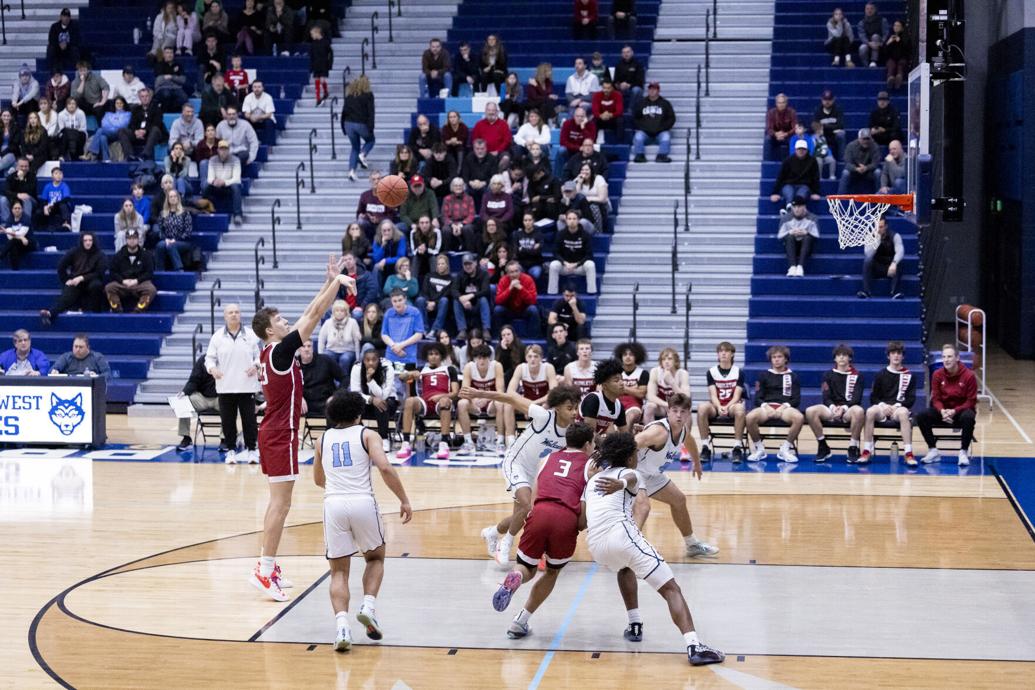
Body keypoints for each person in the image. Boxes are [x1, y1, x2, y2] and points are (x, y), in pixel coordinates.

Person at [247, 257, 356, 601]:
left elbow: (310, 309)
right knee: (280, 505)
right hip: (280, 435)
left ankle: (267, 565)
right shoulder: (281, 351)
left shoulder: (271, 351)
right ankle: (264, 571)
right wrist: (337, 282)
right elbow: (313, 316)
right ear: (269, 330)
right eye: (280, 320)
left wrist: (329, 281)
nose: (286, 322)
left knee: (278, 503)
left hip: (275, 432)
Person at [584, 432, 724, 665]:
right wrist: (620, 484)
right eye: (635, 454)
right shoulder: (633, 473)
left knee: (624, 567)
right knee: (671, 589)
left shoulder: (592, 481)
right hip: (622, 536)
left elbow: (581, 519)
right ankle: (694, 646)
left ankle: (635, 623)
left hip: (596, 547)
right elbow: (629, 479)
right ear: (630, 457)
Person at [314, 389, 412, 652]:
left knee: (338, 572)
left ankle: (342, 627)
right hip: (362, 502)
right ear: (359, 413)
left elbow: (318, 480)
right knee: (376, 558)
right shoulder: (368, 434)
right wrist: (403, 498)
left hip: (333, 504)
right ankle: (368, 606)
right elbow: (385, 467)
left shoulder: (322, 439)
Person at [491, 422, 595, 635]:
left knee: (525, 566)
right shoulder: (590, 466)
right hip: (565, 517)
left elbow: (534, 498)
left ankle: (517, 576)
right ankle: (520, 621)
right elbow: (583, 519)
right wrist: (577, 527)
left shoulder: (548, 457)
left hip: (539, 512)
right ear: (587, 445)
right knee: (552, 572)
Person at [474, 384, 582, 566]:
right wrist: (481, 393)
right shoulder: (543, 416)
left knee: (526, 512)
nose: (574, 413)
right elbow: (511, 398)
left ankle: (493, 532)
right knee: (526, 505)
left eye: (576, 408)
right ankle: (505, 543)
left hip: (538, 473)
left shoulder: (572, 432)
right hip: (516, 463)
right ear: (557, 407)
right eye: (569, 408)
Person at [206, 303, 261, 464]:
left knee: (249, 420)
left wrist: (256, 365)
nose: (234, 315)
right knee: (228, 421)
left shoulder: (251, 335)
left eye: (237, 312)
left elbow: (259, 356)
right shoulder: (217, 337)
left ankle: (252, 450)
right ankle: (231, 451)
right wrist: (212, 369)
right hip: (225, 386)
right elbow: (209, 359)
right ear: (225, 316)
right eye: (230, 312)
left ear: (240, 315)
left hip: (247, 386)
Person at [917, 344, 978, 467]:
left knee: (969, 417)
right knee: (922, 415)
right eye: (944, 357)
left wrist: (954, 411)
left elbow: (970, 401)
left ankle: (963, 452)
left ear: (957, 358)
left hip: (961, 411)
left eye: (949, 356)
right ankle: (933, 450)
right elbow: (936, 398)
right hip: (943, 411)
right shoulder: (937, 374)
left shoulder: (969, 376)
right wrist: (942, 411)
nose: (946, 360)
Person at [396, 342, 458, 460]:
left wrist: (440, 397)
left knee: (445, 401)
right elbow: (401, 378)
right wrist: (410, 374)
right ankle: (405, 444)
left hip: (442, 401)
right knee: (409, 401)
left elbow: (455, 393)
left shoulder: (449, 369)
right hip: (425, 403)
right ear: (426, 356)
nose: (433, 356)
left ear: (441, 356)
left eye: (436, 354)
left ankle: (444, 444)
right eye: (430, 354)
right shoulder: (421, 369)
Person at [860, 340, 917, 466]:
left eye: (899, 353)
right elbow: (873, 397)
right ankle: (866, 450)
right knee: (869, 412)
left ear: (903, 356)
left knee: (903, 413)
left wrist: (896, 406)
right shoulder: (880, 374)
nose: (896, 355)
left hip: (898, 409)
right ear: (888, 356)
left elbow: (911, 399)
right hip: (882, 408)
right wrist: (883, 406)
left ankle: (908, 453)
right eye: (893, 353)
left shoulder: (909, 375)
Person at [806, 344, 865, 463]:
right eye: (839, 355)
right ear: (835, 358)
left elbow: (856, 398)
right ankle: (823, 446)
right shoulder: (828, 375)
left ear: (850, 358)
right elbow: (826, 396)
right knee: (810, 411)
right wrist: (833, 408)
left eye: (845, 355)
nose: (842, 358)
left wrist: (843, 408)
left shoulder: (858, 376)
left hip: (848, 409)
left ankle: (853, 447)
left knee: (859, 411)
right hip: (831, 408)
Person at [745, 345, 803, 462]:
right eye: (774, 357)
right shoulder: (764, 375)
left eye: (779, 357)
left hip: (785, 408)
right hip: (767, 407)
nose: (776, 359)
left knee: (799, 417)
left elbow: (796, 400)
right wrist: (767, 407)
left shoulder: (793, 376)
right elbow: (758, 398)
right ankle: (759, 449)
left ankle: (785, 449)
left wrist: (783, 407)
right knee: (750, 417)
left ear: (785, 359)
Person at [39, 231, 106, 326]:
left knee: (96, 285)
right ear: (82, 241)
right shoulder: (74, 252)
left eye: (90, 240)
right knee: (66, 297)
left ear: (94, 241)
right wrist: (66, 280)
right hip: (75, 282)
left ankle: (96, 315)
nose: (88, 242)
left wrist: (82, 278)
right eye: (85, 240)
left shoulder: (100, 255)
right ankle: (50, 314)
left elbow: (99, 273)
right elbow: (61, 266)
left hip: (92, 281)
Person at [696, 342, 747, 462]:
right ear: (718, 354)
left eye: (727, 351)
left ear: (732, 354)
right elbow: (713, 394)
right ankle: (705, 447)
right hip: (716, 405)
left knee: (740, 409)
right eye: (721, 351)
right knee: (702, 408)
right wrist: (719, 406)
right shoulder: (711, 372)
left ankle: (737, 447)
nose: (723, 353)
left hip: (732, 405)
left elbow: (737, 395)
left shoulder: (739, 372)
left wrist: (726, 406)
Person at [455, 343, 505, 454]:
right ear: (475, 358)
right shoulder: (469, 367)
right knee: (462, 403)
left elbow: (500, 391)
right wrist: (474, 400)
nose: (481, 361)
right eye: (479, 358)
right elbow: (464, 391)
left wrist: (486, 398)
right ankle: (468, 442)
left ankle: (500, 442)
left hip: (491, 403)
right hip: (475, 404)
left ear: (489, 358)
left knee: (500, 403)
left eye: (484, 358)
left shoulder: (497, 366)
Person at [174, 352, 221, 452]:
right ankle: (186, 438)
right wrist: (184, 392)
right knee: (183, 402)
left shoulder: (228, 359)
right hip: (202, 398)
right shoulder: (202, 360)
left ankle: (226, 439)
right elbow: (193, 380)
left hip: (220, 398)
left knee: (230, 404)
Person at [350, 349, 398, 446]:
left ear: (379, 360)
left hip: (389, 400)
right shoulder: (357, 368)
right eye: (367, 360)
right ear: (363, 360)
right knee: (351, 404)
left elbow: (383, 395)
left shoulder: (388, 367)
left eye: (374, 360)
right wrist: (371, 399)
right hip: (366, 401)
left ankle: (384, 438)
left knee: (381, 404)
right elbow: (355, 393)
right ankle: (359, 436)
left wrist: (370, 380)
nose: (370, 363)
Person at [104, 229, 156, 313]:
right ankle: (117, 310)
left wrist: (137, 280)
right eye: (129, 238)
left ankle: (138, 310)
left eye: (134, 238)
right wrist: (122, 281)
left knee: (151, 289)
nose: (132, 241)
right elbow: (112, 272)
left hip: (139, 284)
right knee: (109, 287)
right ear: (126, 240)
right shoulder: (118, 255)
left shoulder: (146, 255)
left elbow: (149, 273)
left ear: (138, 239)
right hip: (122, 284)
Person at [857, 215, 904, 299]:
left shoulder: (895, 236)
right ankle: (866, 292)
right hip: (876, 267)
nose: (878, 229)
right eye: (876, 227)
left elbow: (900, 251)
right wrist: (877, 240)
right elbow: (868, 254)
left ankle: (895, 292)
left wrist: (894, 263)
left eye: (881, 227)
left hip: (890, 268)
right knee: (867, 261)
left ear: (886, 226)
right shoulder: (870, 236)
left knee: (899, 263)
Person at [549, 212, 596, 294]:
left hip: (579, 267)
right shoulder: (560, 234)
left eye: (574, 219)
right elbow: (555, 252)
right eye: (569, 219)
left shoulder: (585, 235)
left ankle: (591, 292)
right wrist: (564, 262)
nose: (572, 221)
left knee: (590, 264)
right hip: (565, 266)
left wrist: (577, 264)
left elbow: (589, 255)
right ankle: (552, 293)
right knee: (553, 265)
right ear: (566, 221)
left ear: (578, 221)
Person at [580, 357, 628, 436]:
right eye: (616, 380)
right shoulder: (593, 399)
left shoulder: (619, 406)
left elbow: (625, 434)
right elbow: (590, 434)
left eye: (622, 379)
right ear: (605, 385)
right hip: (575, 442)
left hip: (591, 445)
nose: (622, 383)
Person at [643, 347, 691, 425]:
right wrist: (666, 404)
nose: (666, 362)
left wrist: (672, 382)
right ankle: (649, 432)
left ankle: (685, 436)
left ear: (676, 361)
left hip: (677, 407)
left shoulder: (682, 373)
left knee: (687, 410)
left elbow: (686, 397)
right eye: (664, 359)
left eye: (669, 359)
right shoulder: (655, 372)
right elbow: (650, 396)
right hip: (661, 406)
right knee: (650, 406)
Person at [298, 340, 345, 418]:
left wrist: (336, 396)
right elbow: (287, 387)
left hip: (327, 401)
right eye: (303, 346)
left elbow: (344, 378)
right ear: (299, 349)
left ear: (313, 348)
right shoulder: (294, 364)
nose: (307, 349)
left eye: (309, 346)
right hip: (306, 404)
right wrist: (299, 397)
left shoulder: (325, 360)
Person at [341, 75, 375, 182]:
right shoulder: (368, 95)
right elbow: (371, 112)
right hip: (360, 123)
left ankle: (351, 171)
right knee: (370, 140)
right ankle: (363, 154)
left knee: (355, 147)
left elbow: (344, 112)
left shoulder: (349, 96)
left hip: (348, 124)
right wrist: (371, 128)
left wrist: (343, 127)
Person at [494, 261, 540, 337]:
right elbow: (498, 301)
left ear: (520, 271)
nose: (514, 274)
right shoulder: (503, 280)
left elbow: (533, 301)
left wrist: (521, 289)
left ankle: (534, 338)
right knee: (497, 310)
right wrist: (509, 289)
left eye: (516, 271)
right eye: (511, 272)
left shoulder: (528, 279)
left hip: (524, 310)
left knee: (533, 309)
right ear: (507, 274)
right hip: (509, 310)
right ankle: (497, 337)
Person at [632, 82, 675, 163]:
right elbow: (635, 117)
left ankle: (661, 156)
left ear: (658, 91)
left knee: (666, 137)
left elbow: (671, 118)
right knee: (638, 137)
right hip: (645, 132)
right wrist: (641, 127)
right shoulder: (641, 103)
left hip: (660, 132)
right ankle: (639, 155)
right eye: (650, 89)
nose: (652, 91)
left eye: (654, 89)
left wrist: (663, 128)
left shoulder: (665, 103)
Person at [381, 288, 424, 370]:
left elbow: (419, 334)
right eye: (395, 301)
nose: (398, 304)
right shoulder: (388, 313)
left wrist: (400, 345)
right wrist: (394, 346)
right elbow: (384, 334)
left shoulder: (415, 312)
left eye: (400, 300)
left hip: (408, 356)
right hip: (391, 355)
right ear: (391, 301)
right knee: (390, 382)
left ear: (405, 299)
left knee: (409, 382)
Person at [204, 140, 244, 226]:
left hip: (228, 186)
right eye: (221, 149)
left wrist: (224, 182)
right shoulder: (212, 160)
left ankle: (237, 215)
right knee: (205, 186)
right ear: (218, 150)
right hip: (217, 185)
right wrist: (215, 181)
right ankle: (205, 209)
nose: (223, 151)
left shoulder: (235, 160)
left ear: (229, 150)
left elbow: (237, 179)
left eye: (225, 149)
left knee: (236, 187)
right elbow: (210, 178)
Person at [770, 140, 821, 207]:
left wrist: (815, 192)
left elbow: (815, 177)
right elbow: (781, 177)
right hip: (789, 184)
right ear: (795, 150)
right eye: (799, 149)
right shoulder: (788, 160)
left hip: (804, 185)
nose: (801, 151)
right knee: (789, 195)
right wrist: (775, 193)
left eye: (803, 149)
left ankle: (790, 210)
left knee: (800, 196)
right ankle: (789, 209)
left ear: (806, 150)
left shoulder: (812, 161)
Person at [453, 253, 492, 338]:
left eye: (470, 264)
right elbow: (453, 290)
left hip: (478, 304)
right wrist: (462, 299)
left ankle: (486, 329)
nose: (468, 266)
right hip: (465, 305)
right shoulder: (460, 275)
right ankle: (462, 330)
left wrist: (471, 296)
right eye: (465, 264)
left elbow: (486, 291)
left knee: (483, 299)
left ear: (475, 263)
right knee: (456, 301)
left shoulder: (483, 274)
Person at [778, 196, 819, 277]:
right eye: (794, 207)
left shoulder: (813, 218)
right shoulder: (786, 218)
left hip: (807, 247)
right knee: (789, 237)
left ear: (804, 207)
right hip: (791, 245)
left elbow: (816, 235)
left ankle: (800, 267)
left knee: (807, 237)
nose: (796, 209)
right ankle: (792, 267)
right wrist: (790, 232)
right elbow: (780, 236)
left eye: (799, 207)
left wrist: (806, 232)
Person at [153, 190, 194, 271]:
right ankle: (160, 271)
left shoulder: (185, 213)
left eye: (175, 196)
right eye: (170, 197)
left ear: (178, 198)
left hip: (182, 241)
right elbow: (160, 230)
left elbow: (188, 231)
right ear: (167, 199)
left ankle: (179, 270)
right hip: (167, 240)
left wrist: (175, 240)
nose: (173, 198)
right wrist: (166, 239)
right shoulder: (163, 213)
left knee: (171, 246)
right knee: (160, 245)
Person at [416, 254, 454, 338]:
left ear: (447, 265)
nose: (440, 266)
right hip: (428, 303)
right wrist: (428, 302)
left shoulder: (451, 279)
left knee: (444, 300)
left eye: (442, 264)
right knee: (420, 300)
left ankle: (435, 330)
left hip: (441, 305)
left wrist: (435, 303)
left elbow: (448, 294)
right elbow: (424, 291)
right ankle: (424, 330)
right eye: (438, 264)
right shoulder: (429, 276)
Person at [319, 299, 361, 375]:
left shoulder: (352, 322)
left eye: (342, 311)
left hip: (348, 351)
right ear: (333, 312)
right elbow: (321, 340)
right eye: (337, 310)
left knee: (344, 359)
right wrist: (320, 356)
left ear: (346, 312)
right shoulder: (328, 322)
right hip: (331, 350)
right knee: (327, 357)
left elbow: (356, 341)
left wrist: (358, 358)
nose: (339, 313)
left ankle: (343, 382)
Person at [613, 342, 649, 428]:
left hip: (634, 404)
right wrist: (633, 389)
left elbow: (641, 394)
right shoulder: (615, 372)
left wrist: (622, 387)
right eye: (625, 354)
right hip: (616, 402)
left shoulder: (643, 373)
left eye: (631, 354)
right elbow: (610, 389)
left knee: (630, 416)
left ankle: (625, 439)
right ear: (621, 357)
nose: (628, 357)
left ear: (637, 357)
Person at [470, 102, 512, 168]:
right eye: (489, 110)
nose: (491, 112)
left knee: (506, 158)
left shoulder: (504, 124)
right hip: (483, 151)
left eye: (493, 110)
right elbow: (475, 140)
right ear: (485, 111)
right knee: (470, 157)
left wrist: (497, 151)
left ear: (497, 112)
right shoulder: (479, 124)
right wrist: (483, 150)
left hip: (500, 152)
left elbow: (507, 140)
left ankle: (498, 175)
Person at [557, 110, 596, 178]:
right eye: (577, 116)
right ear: (574, 116)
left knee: (589, 150)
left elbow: (591, 141)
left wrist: (583, 127)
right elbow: (562, 141)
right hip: (569, 151)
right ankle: (557, 178)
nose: (579, 118)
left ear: (585, 117)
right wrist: (578, 147)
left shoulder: (591, 125)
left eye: (582, 116)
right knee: (561, 150)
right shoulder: (567, 123)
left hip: (582, 152)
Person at [460, 138, 497, 208]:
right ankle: (466, 212)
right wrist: (470, 182)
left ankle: (488, 212)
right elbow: (464, 175)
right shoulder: (468, 158)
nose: (480, 151)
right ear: (474, 149)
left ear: (486, 148)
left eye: (482, 148)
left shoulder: (492, 159)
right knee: (463, 187)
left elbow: (494, 176)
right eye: (477, 149)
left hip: (486, 185)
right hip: (471, 184)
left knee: (493, 186)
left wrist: (483, 183)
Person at [813, 89, 846, 161]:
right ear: (822, 100)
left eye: (829, 99)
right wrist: (832, 128)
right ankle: (818, 159)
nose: (827, 102)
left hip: (834, 136)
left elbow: (841, 125)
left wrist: (824, 126)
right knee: (815, 136)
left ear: (833, 100)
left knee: (841, 134)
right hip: (823, 135)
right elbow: (815, 125)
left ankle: (842, 159)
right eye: (825, 99)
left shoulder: (838, 110)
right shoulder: (818, 110)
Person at [154, 46, 190, 114]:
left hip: (176, 88)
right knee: (166, 94)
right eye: (167, 53)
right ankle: (164, 112)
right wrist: (176, 79)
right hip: (162, 88)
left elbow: (183, 80)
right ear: (164, 55)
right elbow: (159, 80)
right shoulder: (159, 65)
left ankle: (172, 111)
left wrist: (171, 77)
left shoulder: (178, 65)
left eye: (171, 53)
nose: (169, 55)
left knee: (184, 98)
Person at [0, 200, 34, 270]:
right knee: (13, 247)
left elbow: (22, 233)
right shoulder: (9, 219)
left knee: (13, 242)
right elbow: (9, 237)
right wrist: (21, 238)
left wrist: (20, 236)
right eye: (15, 208)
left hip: (28, 243)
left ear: (22, 209)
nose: (17, 210)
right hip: (17, 243)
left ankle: (1, 255)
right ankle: (15, 270)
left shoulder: (26, 218)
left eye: (19, 208)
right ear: (12, 210)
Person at [1, 158, 36, 224]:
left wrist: (22, 179)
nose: (24, 168)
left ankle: (25, 224)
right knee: (3, 200)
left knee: (25, 198)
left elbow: (29, 192)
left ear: (29, 167)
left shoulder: (32, 176)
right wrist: (17, 195)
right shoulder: (11, 176)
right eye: (21, 166)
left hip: (31, 201)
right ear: (17, 167)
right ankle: (7, 223)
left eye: (26, 166)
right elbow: (5, 191)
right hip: (15, 199)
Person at [765, 93, 797, 161]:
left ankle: (793, 162)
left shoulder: (792, 112)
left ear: (786, 103)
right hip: (775, 137)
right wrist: (776, 134)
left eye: (783, 102)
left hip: (788, 136)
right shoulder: (771, 113)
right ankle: (767, 162)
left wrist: (786, 134)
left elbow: (794, 128)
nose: (781, 105)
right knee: (767, 139)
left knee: (794, 139)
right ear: (776, 103)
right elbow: (768, 128)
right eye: (779, 103)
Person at [857, 1, 889, 68]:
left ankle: (874, 61)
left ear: (875, 9)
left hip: (880, 45)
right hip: (868, 44)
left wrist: (882, 42)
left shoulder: (883, 20)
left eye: (871, 8)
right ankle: (866, 66)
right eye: (867, 9)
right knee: (862, 48)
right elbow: (862, 36)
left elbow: (885, 33)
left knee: (875, 36)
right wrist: (869, 43)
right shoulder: (861, 23)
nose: (869, 11)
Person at [309, 24, 333, 106]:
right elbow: (311, 55)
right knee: (316, 81)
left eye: (312, 34)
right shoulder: (313, 44)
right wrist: (311, 66)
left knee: (322, 80)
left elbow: (330, 53)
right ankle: (318, 98)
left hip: (323, 65)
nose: (311, 36)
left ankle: (325, 92)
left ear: (317, 33)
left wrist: (329, 64)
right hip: (316, 65)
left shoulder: (325, 43)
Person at [883, 20, 911, 89]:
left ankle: (899, 78)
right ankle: (890, 78)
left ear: (902, 28)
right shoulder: (890, 36)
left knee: (900, 64)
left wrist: (900, 42)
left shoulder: (906, 37)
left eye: (898, 26)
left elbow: (907, 51)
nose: (896, 27)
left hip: (902, 58)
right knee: (891, 64)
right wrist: (888, 43)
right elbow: (884, 52)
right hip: (891, 58)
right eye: (895, 25)